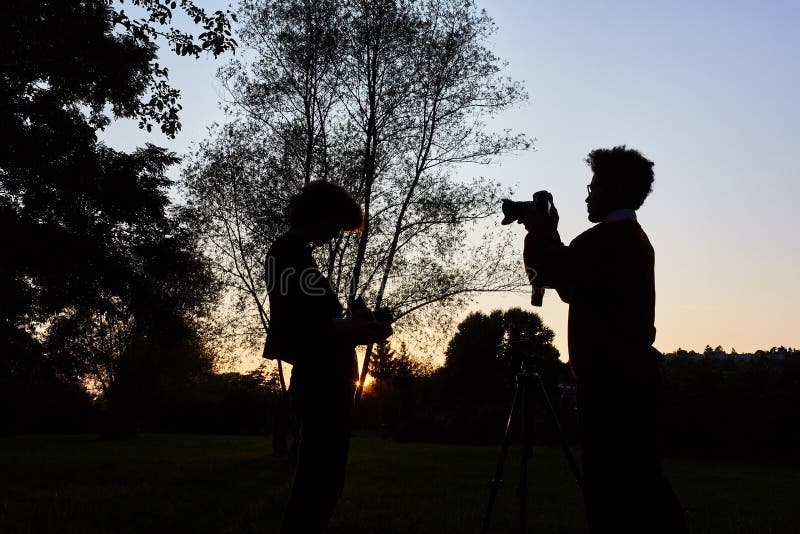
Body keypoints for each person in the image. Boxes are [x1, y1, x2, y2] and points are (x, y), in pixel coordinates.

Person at [522, 146, 689, 533]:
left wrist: (540, 231)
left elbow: (547, 270)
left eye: (593, 187)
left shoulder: (608, 239)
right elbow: (572, 286)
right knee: (638, 482)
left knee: (613, 489)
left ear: (614, 189)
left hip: (613, 385)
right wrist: (549, 235)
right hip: (629, 380)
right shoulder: (626, 239)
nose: (587, 196)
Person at [263, 180, 393, 533]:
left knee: (321, 483)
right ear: (319, 214)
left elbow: (317, 323)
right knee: (320, 484)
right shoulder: (287, 254)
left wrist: (357, 325)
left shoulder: (296, 255)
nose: (336, 234)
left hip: (327, 378)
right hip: (322, 381)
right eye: (336, 225)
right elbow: (306, 327)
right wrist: (361, 330)